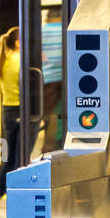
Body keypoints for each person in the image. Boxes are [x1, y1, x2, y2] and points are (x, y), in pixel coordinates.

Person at [0, 26, 21, 207]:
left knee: (8, 154)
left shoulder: (1, 62)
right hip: (22, 109)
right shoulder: (20, 61)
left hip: (7, 110)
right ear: (18, 43)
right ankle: (16, 195)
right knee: (20, 154)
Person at [40, 8, 64, 149]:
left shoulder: (42, 32)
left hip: (48, 79)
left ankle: (50, 146)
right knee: (63, 113)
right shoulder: (65, 29)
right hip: (65, 79)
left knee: (49, 116)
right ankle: (58, 143)